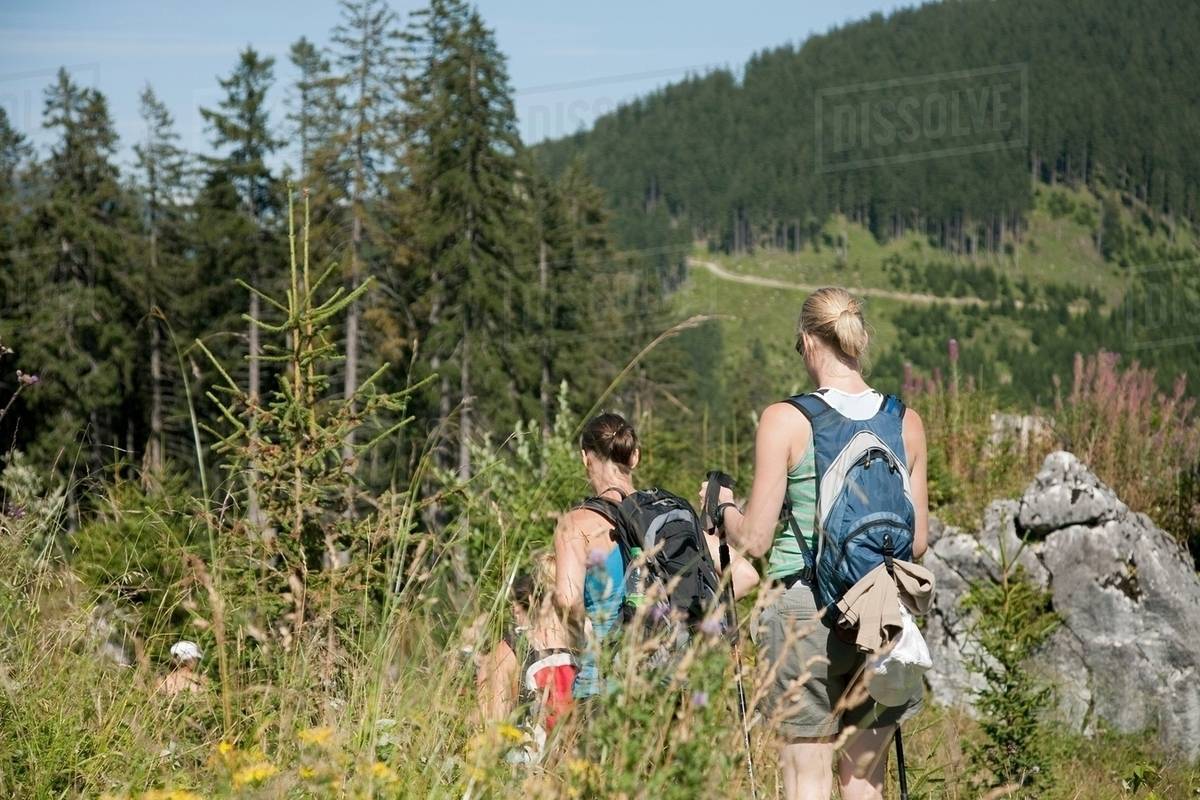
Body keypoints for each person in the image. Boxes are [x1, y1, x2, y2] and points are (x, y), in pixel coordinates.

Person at [700, 288, 929, 800]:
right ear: (856, 339)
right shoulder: (904, 420)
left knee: (808, 779)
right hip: (881, 608)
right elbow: (918, 541)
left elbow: (755, 538)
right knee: (865, 781)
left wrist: (724, 510)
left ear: (807, 342)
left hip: (806, 610)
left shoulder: (785, 419)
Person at [555, 412, 758, 701]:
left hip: (605, 685)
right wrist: (695, 614)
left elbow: (567, 602)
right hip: (670, 683)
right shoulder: (669, 517)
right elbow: (747, 576)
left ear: (586, 458)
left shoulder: (576, 524)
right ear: (635, 457)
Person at [475, 552, 578, 762]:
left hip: (527, 774)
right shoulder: (595, 647)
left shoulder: (511, 649)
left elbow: (493, 729)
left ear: (531, 597)